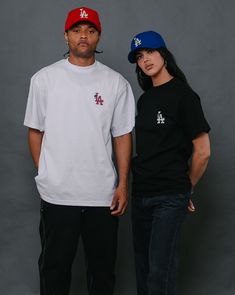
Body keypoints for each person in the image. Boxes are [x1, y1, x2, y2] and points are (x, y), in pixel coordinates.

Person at [24, 7, 135, 295]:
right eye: (76, 30)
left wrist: (123, 184)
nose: (83, 35)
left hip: (102, 195)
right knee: (54, 270)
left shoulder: (116, 83)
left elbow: (122, 135)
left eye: (90, 30)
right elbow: (35, 131)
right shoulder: (44, 79)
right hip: (57, 193)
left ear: (98, 36)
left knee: (102, 273)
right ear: (66, 35)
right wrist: (46, 172)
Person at [128, 31, 211, 295]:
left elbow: (202, 151)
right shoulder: (145, 99)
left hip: (169, 195)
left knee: (159, 273)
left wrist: (187, 187)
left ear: (163, 54)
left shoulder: (184, 95)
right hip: (141, 194)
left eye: (150, 52)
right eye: (139, 57)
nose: (145, 60)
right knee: (142, 268)